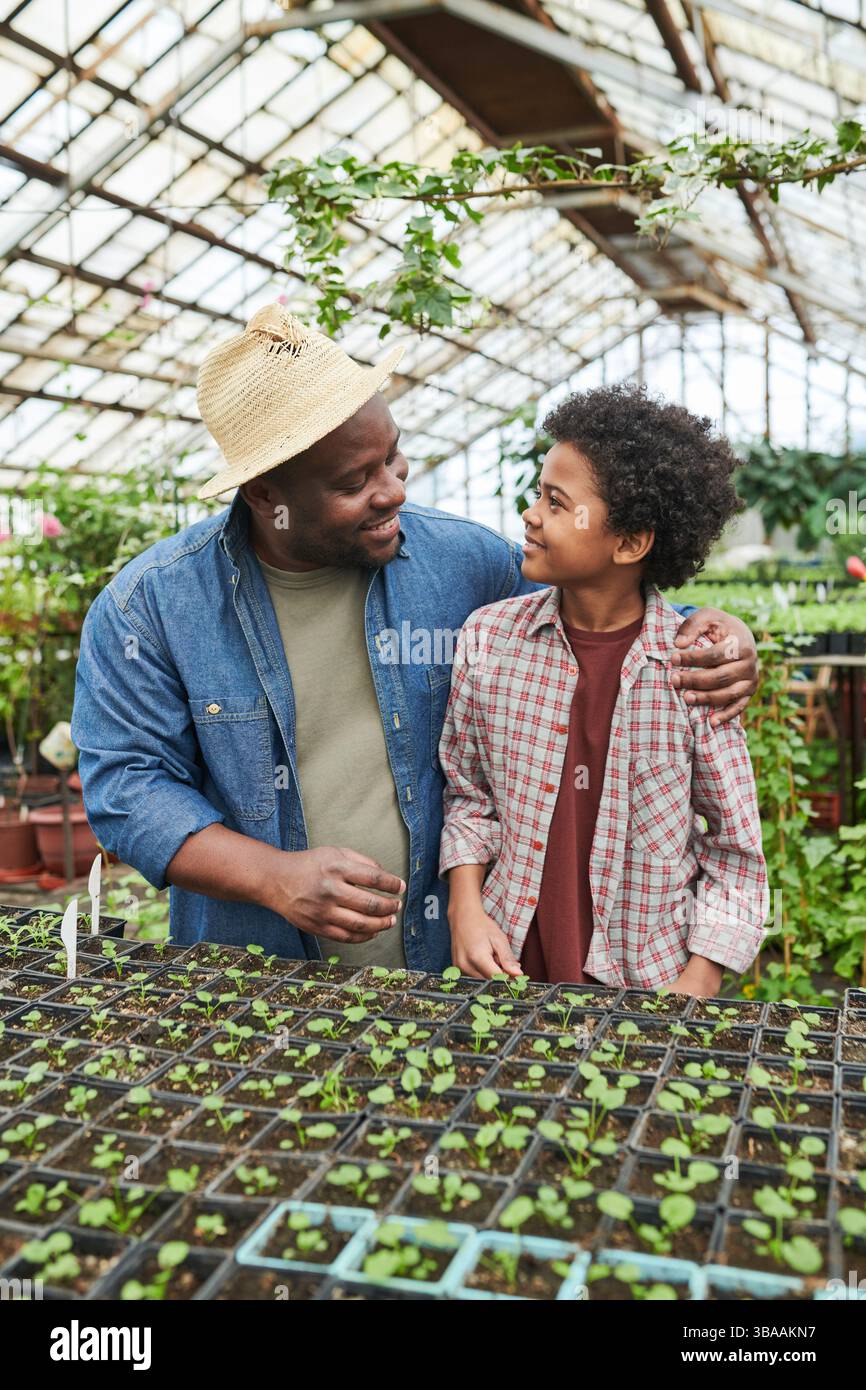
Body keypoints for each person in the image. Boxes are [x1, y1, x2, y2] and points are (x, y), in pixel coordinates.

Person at [71, 306, 760, 970]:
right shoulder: (150, 609)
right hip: (256, 977)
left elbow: (595, 611)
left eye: (392, 460)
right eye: (354, 481)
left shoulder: (463, 562)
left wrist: (713, 630)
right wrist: (273, 877)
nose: (392, 491)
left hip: (443, 977)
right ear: (263, 494)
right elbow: (127, 790)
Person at [440, 383, 769, 993]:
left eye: (557, 503)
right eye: (539, 494)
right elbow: (469, 795)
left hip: (650, 984)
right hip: (507, 969)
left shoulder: (693, 668)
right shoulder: (488, 639)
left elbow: (734, 854)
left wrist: (694, 985)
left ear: (630, 542)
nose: (531, 514)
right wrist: (466, 906)